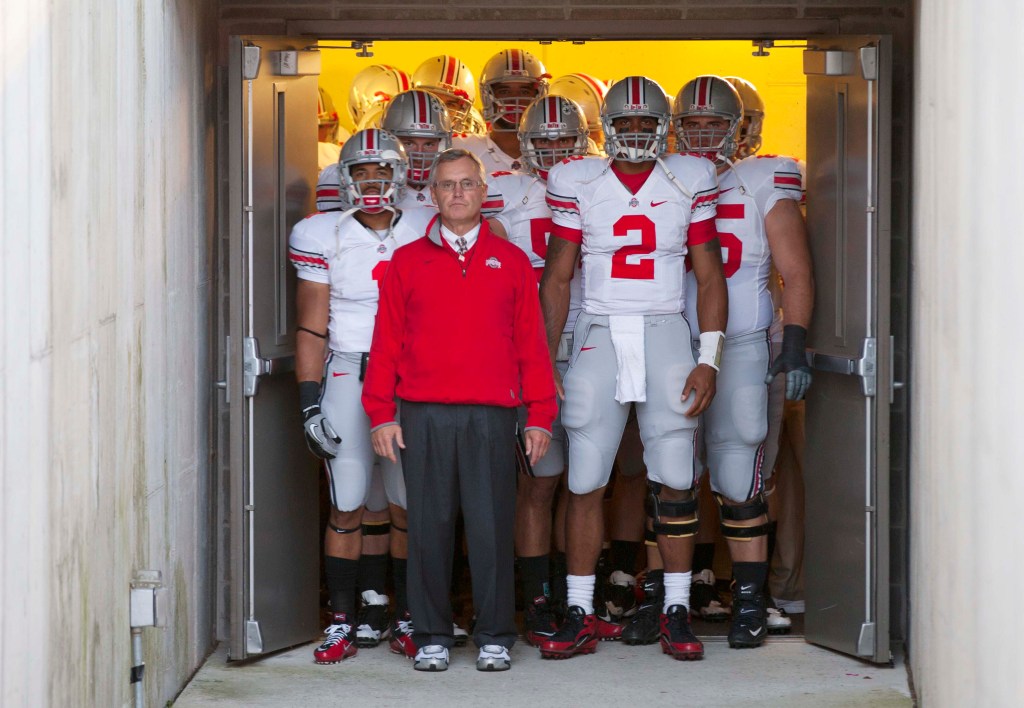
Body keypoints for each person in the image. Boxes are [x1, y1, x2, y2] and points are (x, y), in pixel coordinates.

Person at [538, 76, 728, 661]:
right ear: (608, 129)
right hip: (598, 330)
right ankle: (580, 608)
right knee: (585, 476)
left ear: (662, 128)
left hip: (666, 328)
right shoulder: (578, 180)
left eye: (648, 124)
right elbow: (559, 276)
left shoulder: (689, 178)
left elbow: (709, 274)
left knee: (675, 472)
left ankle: (674, 606)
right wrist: (545, 360)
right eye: (628, 124)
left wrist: (710, 357)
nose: (639, 134)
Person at [362, 149, 557, 673]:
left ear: (482, 191)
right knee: (429, 526)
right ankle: (430, 634)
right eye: (447, 185)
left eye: (467, 184)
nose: (457, 194)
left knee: (492, 527)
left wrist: (539, 415)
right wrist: (381, 412)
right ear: (432, 194)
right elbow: (385, 343)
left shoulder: (512, 261)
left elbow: (532, 347)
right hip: (423, 413)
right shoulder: (407, 261)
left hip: (492, 415)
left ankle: (494, 633)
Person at [645, 74, 811, 649]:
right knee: (671, 472)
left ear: (740, 129)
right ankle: (669, 598)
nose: (704, 135)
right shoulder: (657, 178)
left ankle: (749, 600)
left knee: (740, 468)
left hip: (739, 343)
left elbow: (797, 267)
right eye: (693, 124)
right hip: (671, 343)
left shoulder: (763, 180)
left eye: (716, 124)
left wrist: (794, 340)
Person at [289, 128, 433, 665]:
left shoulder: (424, 224)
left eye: (382, 171)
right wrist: (308, 402)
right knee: (348, 500)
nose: (372, 182)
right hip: (350, 369)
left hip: (410, 376)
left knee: (407, 504)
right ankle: (344, 619)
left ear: (401, 176)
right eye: (361, 172)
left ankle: (408, 614)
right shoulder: (322, 233)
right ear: (345, 179)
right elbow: (312, 325)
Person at [481, 95, 589, 645]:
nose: (552, 151)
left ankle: (585, 592)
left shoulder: (601, 182)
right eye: (542, 141)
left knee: (593, 480)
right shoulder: (504, 190)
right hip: (529, 342)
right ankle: (537, 596)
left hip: (594, 338)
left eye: (562, 140)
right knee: (539, 481)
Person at [455, 49, 549, 174]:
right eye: (504, 91)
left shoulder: (556, 151)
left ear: (539, 96)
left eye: (524, 92)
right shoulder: (459, 148)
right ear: (487, 96)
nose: (515, 100)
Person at [380, 89, 453, 210]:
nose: (419, 154)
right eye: (408, 143)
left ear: (442, 144)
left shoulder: (457, 190)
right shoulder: (374, 190)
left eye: (429, 144)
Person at [411, 55, 479, 135]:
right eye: (432, 100)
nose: (439, 111)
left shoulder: (463, 145)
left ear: (462, 110)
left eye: (450, 104)